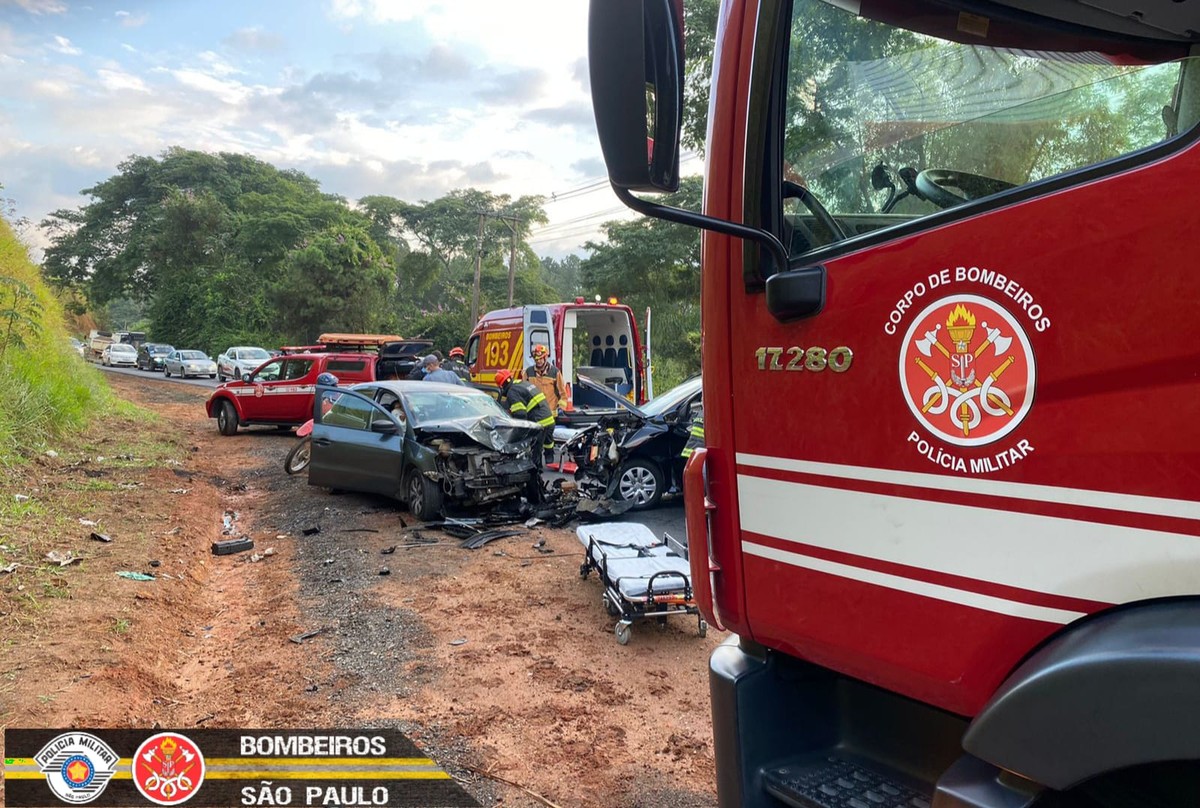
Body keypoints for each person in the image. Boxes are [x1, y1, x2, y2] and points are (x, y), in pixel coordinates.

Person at [495, 369, 555, 464]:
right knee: (548, 441)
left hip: (539, 424)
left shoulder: (512, 392)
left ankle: (536, 472)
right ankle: (549, 456)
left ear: (501, 386)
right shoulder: (524, 384)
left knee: (536, 451)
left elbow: (520, 414)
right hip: (550, 420)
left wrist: (517, 433)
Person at [521, 344, 571, 414]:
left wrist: (561, 409)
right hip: (534, 414)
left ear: (546, 357)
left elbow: (563, 394)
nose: (538, 361)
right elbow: (523, 393)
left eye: (540, 358)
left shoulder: (555, 372)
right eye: (536, 359)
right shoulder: (528, 372)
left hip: (551, 415)